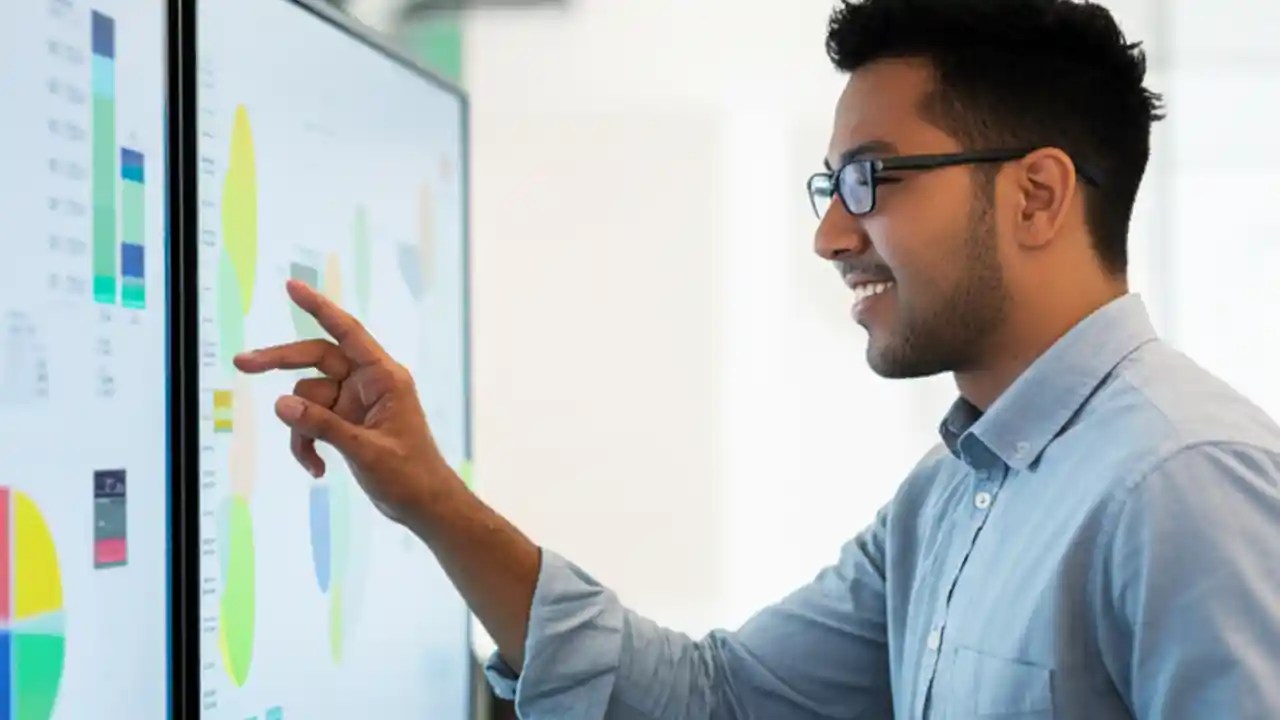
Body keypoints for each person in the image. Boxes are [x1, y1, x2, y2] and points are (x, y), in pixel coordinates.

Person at [234, 0, 1280, 717]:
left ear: (1036, 195)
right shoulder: (950, 499)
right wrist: (433, 503)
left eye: (872, 181)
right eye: (828, 190)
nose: (829, 237)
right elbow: (717, 702)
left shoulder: (1182, 483)